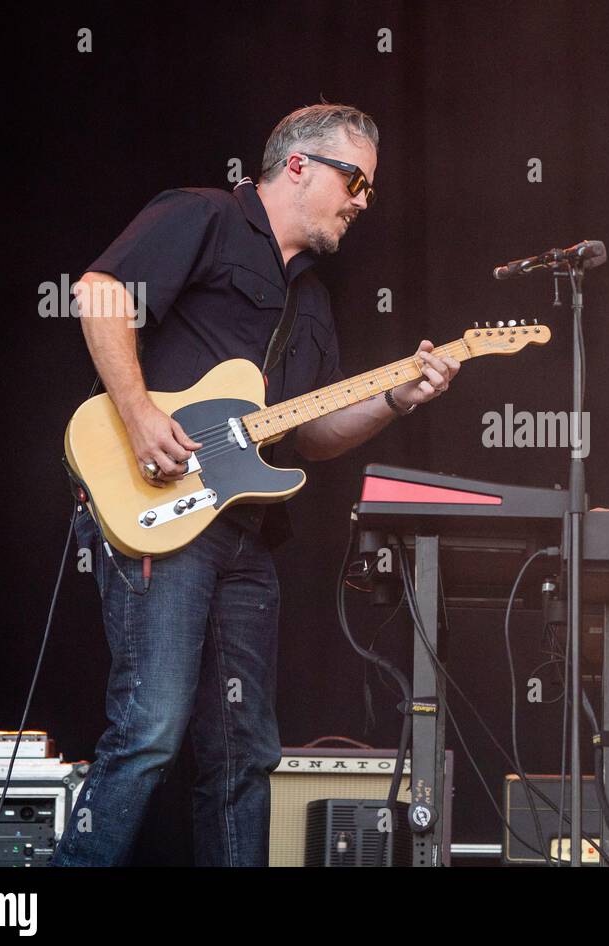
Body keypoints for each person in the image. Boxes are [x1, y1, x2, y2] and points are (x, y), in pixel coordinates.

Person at [54, 103, 460, 866]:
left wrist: (400, 395)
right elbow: (100, 291)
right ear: (298, 165)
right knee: (150, 731)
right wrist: (140, 417)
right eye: (356, 181)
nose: (363, 202)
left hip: (244, 534)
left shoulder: (312, 298)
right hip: (158, 507)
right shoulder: (204, 215)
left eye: (370, 190)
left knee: (246, 750)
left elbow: (310, 433)